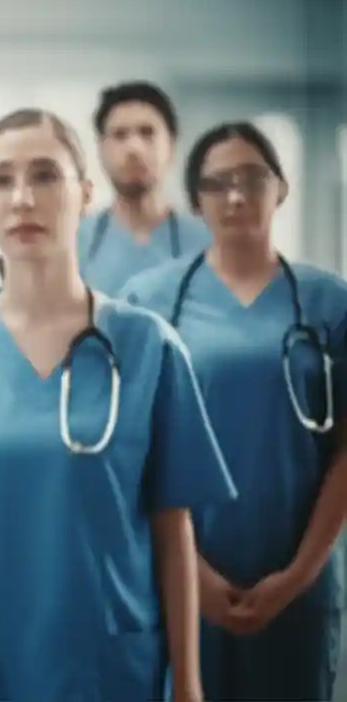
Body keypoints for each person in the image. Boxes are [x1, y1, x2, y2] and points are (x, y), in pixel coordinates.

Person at [0, 108, 237, 701]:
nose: (23, 197)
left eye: (45, 176)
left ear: (85, 194)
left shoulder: (148, 347)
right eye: (1, 180)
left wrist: (188, 685)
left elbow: (173, 530)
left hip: (108, 665)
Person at [121, 122, 347, 701]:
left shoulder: (330, 303)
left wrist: (297, 577)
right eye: (217, 184)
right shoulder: (150, 302)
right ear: (196, 200)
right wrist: (196, 577)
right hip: (185, 576)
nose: (237, 196)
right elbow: (133, 453)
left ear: (281, 188)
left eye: (252, 179)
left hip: (301, 578)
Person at [78, 81, 211, 295]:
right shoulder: (75, 243)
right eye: (120, 135)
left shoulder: (207, 244)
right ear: (101, 150)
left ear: (171, 145)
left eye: (147, 133)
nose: (134, 148)